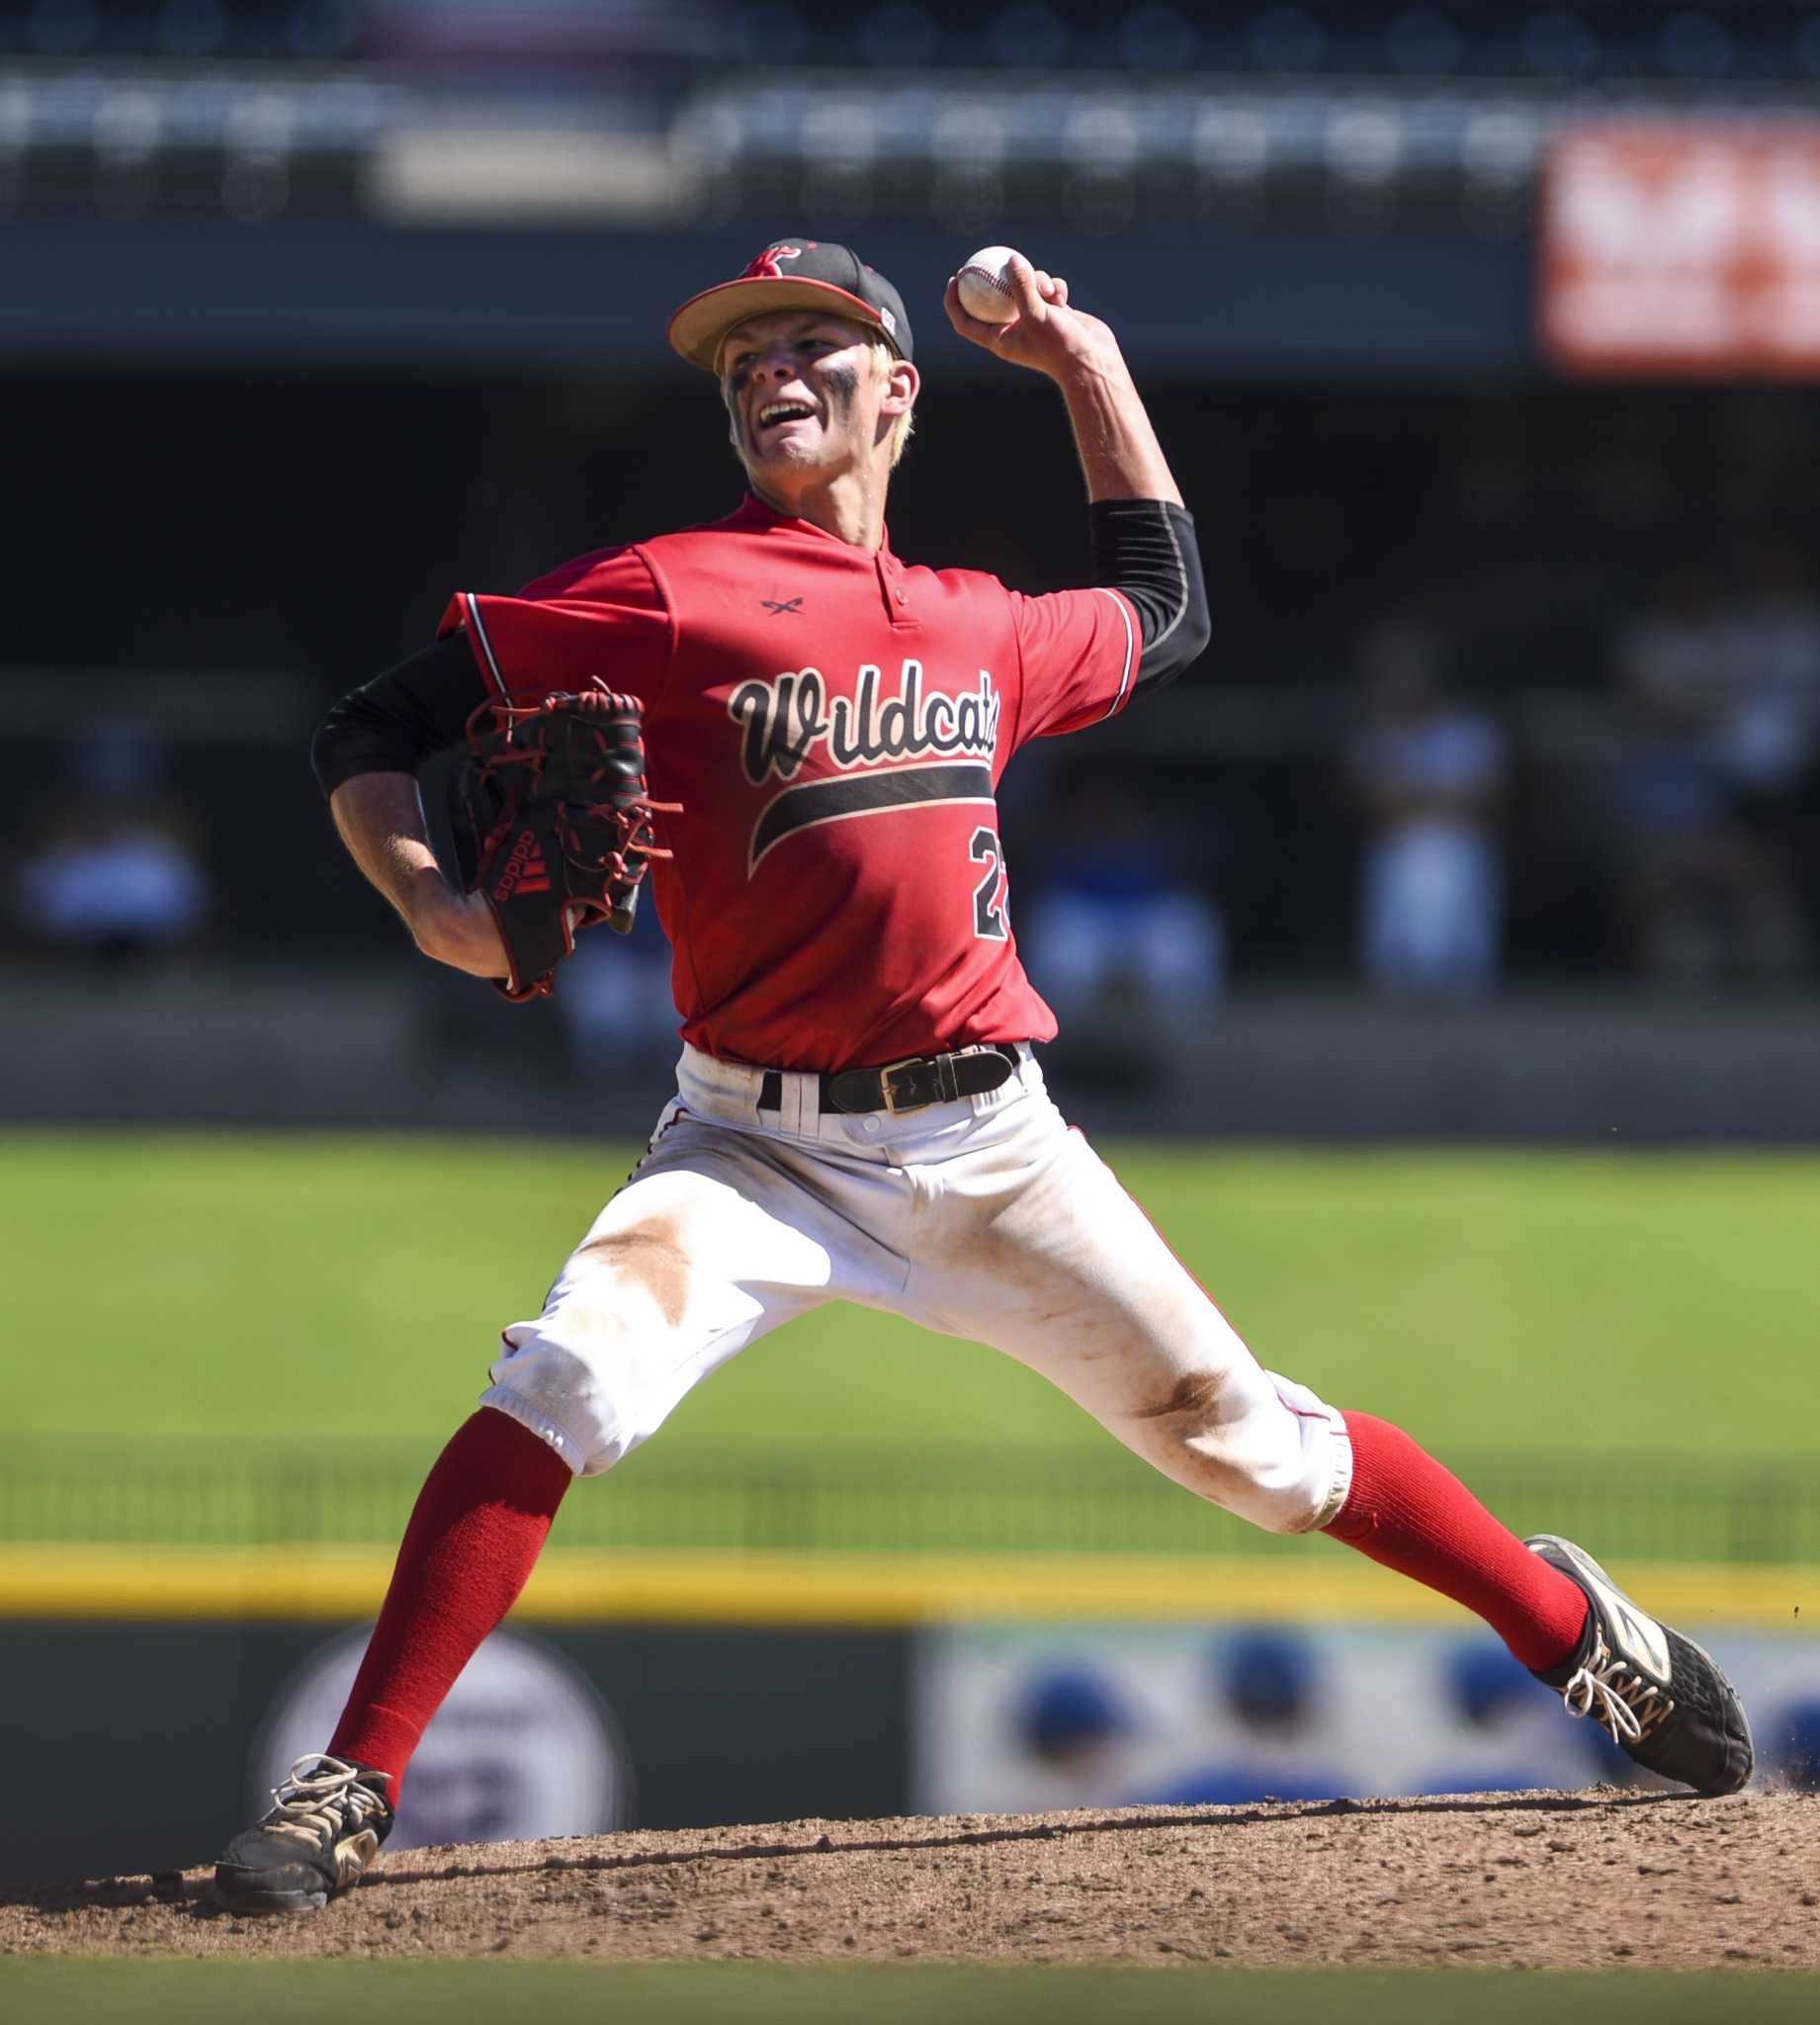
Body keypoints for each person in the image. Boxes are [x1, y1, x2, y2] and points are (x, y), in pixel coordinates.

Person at [214, 239, 1751, 1915]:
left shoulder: (980, 625)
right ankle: (350, 1780)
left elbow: (1166, 607)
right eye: (741, 362)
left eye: (811, 344)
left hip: (992, 1142)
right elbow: (371, 727)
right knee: (563, 1385)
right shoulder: (664, 588)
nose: (769, 375)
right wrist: (433, 903)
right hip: (748, 1150)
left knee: (1256, 1459)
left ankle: (1567, 1627)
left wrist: (1081, 356)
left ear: (898, 392)